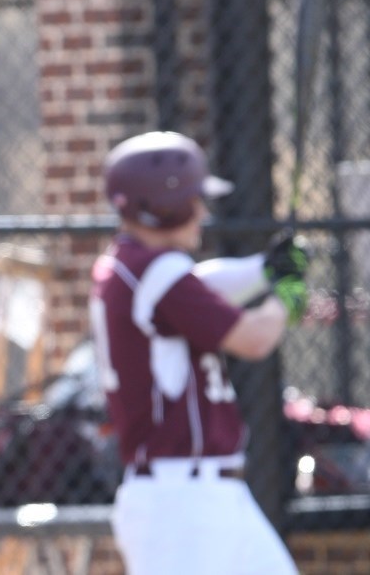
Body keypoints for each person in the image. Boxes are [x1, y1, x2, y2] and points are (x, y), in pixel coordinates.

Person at [88, 131, 308, 575]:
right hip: (182, 504)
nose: (202, 214)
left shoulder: (133, 267)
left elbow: (199, 284)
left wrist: (265, 270)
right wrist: (284, 299)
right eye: (193, 202)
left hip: (206, 495)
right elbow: (253, 339)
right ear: (162, 207)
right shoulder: (154, 271)